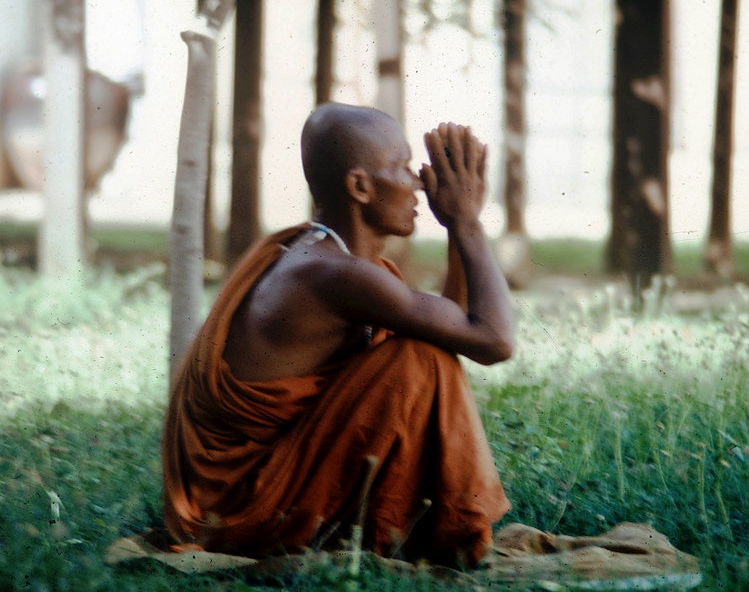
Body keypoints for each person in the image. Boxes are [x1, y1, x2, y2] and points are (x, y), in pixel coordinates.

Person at [162, 102, 515, 568]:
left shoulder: (322, 253)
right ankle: (450, 537)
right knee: (420, 362)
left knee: (424, 352)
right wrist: (468, 222)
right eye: (403, 167)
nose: (419, 183)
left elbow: (453, 327)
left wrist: (456, 228)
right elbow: (494, 340)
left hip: (255, 485)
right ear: (360, 186)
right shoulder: (334, 274)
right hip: (239, 506)